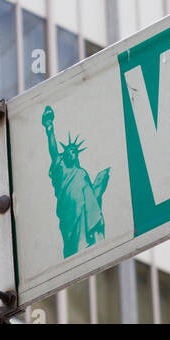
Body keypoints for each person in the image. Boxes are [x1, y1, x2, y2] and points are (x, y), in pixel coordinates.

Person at [41, 104, 110, 258]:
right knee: (73, 243)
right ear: (64, 155)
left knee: (86, 241)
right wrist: (49, 128)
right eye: (68, 151)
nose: (72, 154)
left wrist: (100, 183)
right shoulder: (61, 167)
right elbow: (53, 150)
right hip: (69, 212)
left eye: (74, 152)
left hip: (86, 214)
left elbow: (93, 198)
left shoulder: (81, 173)